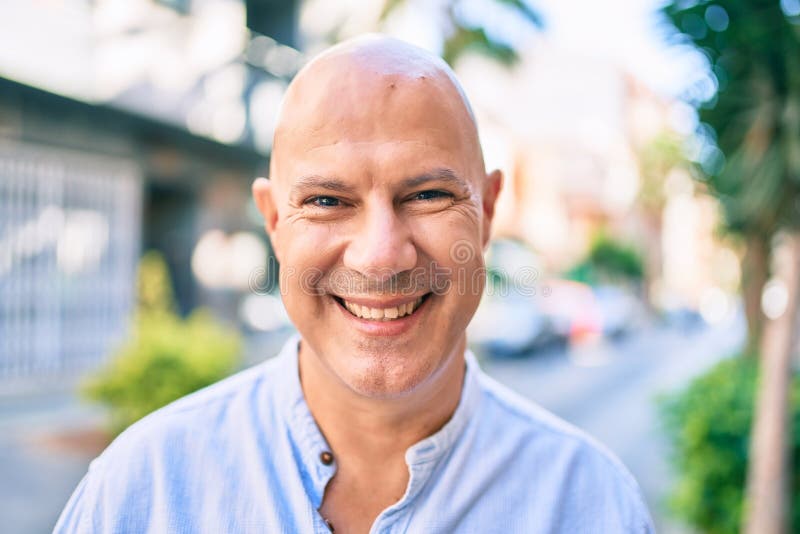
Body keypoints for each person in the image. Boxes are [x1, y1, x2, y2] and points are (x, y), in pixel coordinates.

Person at [55, 35, 654, 533]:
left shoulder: (590, 504)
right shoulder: (144, 492)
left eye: (427, 195)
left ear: (489, 211)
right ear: (274, 224)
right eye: (326, 200)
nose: (380, 257)